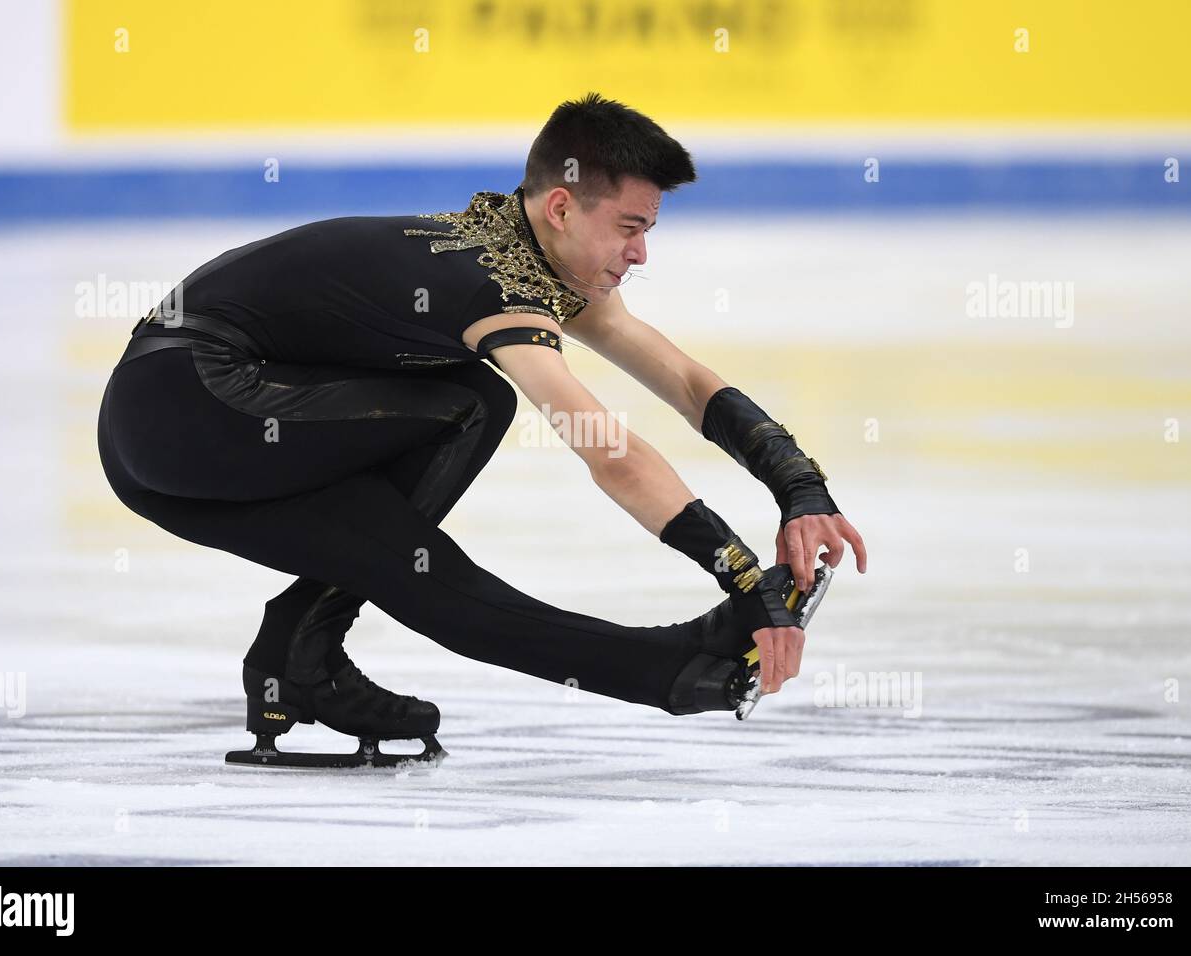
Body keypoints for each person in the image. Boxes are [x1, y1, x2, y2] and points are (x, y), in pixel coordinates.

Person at [95, 92, 867, 768]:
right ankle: (660, 672)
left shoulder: (527, 256)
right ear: (562, 208)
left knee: (421, 520)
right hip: (191, 405)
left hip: (175, 435)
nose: (640, 253)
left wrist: (799, 487)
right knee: (467, 424)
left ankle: (299, 652)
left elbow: (688, 382)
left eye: (649, 229)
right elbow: (607, 449)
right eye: (630, 227)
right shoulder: (489, 285)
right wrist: (738, 573)